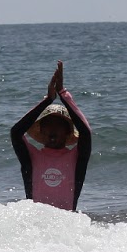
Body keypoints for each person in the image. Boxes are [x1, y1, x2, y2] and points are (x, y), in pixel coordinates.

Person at [10, 61, 93, 211]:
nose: (52, 130)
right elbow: (15, 133)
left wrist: (63, 94)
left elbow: (85, 133)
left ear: (68, 131)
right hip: (35, 225)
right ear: (41, 131)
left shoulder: (77, 159)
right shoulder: (30, 158)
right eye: (47, 125)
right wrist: (48, 99)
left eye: (58, 125)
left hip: (67, 226)